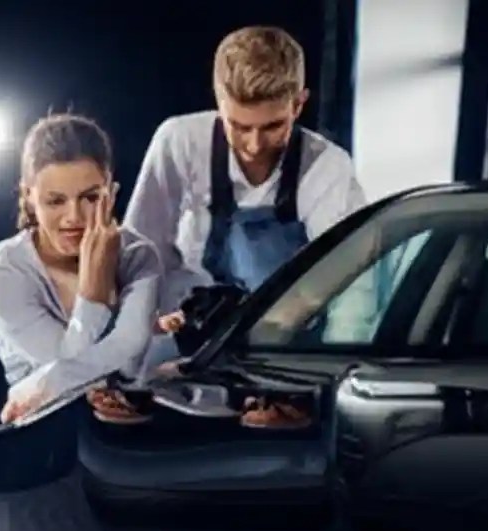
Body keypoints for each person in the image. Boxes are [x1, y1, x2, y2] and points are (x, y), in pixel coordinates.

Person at [124, 25, 371, 429]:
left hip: (285, 343)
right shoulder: (178, 141)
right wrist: (133, 362)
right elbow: (140, 252)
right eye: (238, 126)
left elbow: (349, 288)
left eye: (272, 126)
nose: (254, 144)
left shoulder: (327, 167)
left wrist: (327, 390)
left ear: (299, 104)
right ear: (218, 101)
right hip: (184, 334)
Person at [0, 113, 165, 426]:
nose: (73, 217)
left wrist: (40, 384)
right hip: (42, 434)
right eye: (55, 201)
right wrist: (94, 288)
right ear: (29, 197)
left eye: (90, 198)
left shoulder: (138, 254)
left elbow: (131, 349)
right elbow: (69, 373)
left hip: (126, 429)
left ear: (111, 191)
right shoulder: (4, 272)